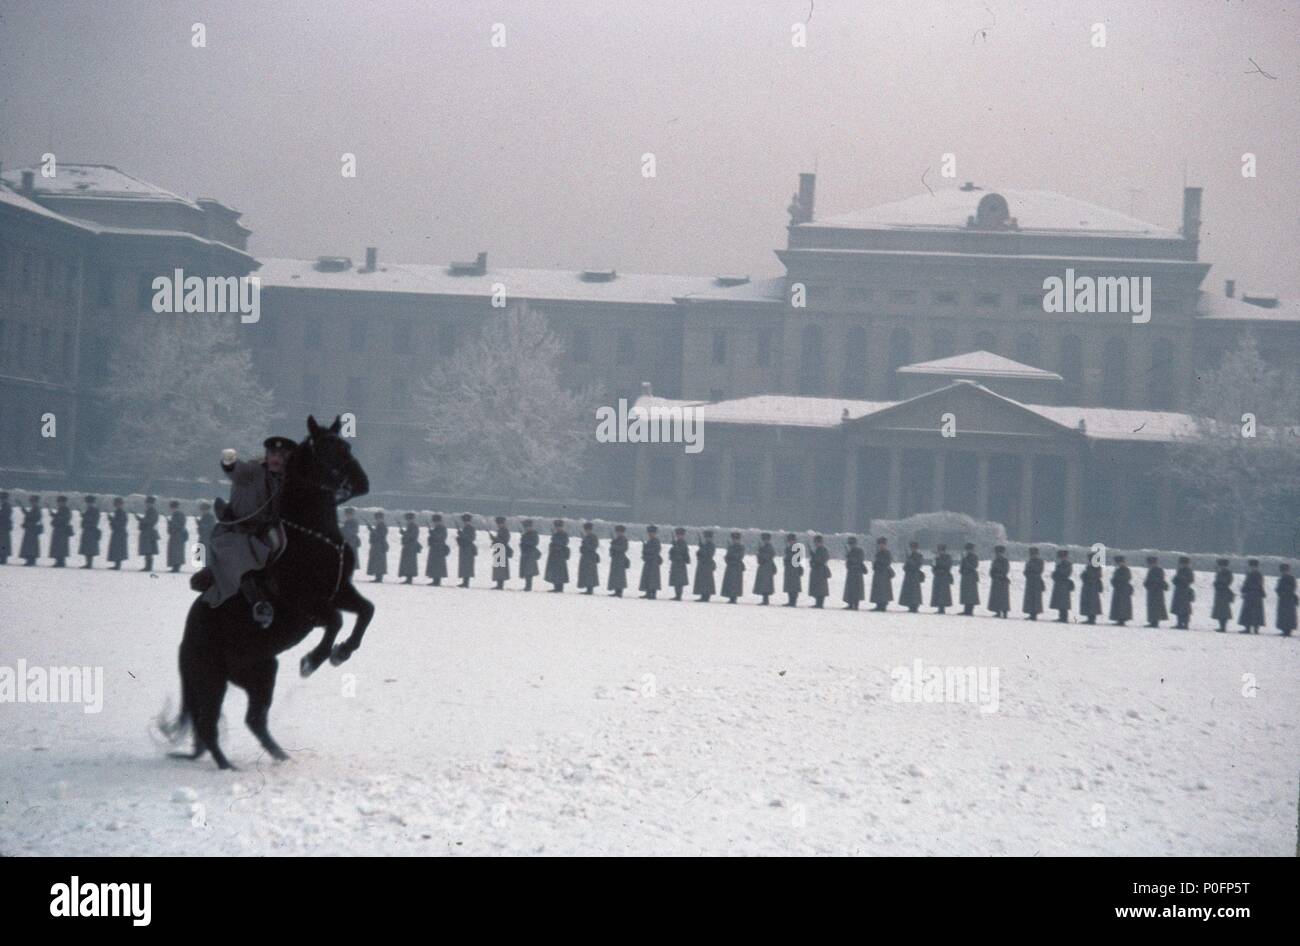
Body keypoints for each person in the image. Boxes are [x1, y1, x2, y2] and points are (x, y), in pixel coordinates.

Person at [196, 436, 295, 627]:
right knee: (242, 557)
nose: (276, 458)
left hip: (267, 533)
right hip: (236, 533)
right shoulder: (253, 471)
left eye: (281, 455)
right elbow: (237, 471)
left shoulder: (287, 480)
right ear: (266, 456)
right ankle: (258, 603)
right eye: (272, 454)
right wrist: (229, 463)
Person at [1238, 559, 1265, 634]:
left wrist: (1246, 590)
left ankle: (1255, 629)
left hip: (1255, 595)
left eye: (1253, 566)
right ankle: (1248, 628)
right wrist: (1243, 590)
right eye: (1251, 566)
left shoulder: (1257, 574)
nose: (1252, 568)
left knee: (1255, 612)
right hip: (1251, 595)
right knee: (1249, 612)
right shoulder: (1251, 574)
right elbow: (1246, 583)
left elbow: (1258, 585)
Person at [544, 519, 569, 593]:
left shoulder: (564, 534)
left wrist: (554, 538)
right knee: (554, 571)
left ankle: (559, 588)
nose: (557, 528)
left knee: (560, 572)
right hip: (554, 555)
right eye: (557, 526)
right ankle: (556, 587)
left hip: (560, 555)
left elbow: (563, 543)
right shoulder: (556, 534)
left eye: (559, 526)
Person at [1144, 556, 1169, 629]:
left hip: (1157, 592)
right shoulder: (1152, 570)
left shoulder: (1158, 570)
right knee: (1152, 607)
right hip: (1152, 591)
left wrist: (1151, 584)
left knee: (1155, 607)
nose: (1149, 565)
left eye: (1150, 563)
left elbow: (1158, 580)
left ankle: (1155, 622)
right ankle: (1152, 621)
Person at [899, 541, 925, 613]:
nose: (912, 549)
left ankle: (915, 606)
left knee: (915, 593)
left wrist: (910, 561)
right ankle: (910, 605)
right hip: (909, 575)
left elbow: (918, 566)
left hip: (915, 576)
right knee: (909, 592)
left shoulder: (919, 556)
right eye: (912, 548)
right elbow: (906, 567)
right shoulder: (910, 555)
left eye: (914, 548)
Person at [137, 496, 160, 572]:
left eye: (148, 503)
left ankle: (148, 566)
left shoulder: (152, 511)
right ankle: (147, 566)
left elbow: (151, 521)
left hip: (149, 533)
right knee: (148, 550)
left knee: (148, 550)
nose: (146, 504)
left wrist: (141, 520)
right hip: (149, 532)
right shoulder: (150, 511)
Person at [721, 531, 746, 604]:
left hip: (736, 567)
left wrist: (731, 556)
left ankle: (734, 598)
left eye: (736, 539)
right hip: (730, 566)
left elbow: (739, 556)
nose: (735, 541)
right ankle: (731, 597)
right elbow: (727, 557)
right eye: (734, 539)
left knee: (735, 583)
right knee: (730, 583)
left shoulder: (741, 547)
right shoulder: (731, 547)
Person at [1170, 556, 1195, 629]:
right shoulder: (1180, 570)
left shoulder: (1188, 571)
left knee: (1185, 609)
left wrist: (1181, 579)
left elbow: (1190, 580)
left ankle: (1185, 624)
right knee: (1178, 608)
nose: (1181, 565)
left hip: (1185, 591)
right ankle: (1179, 623)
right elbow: (1174, 580)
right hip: (1179, 590)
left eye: (1182, 563)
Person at [1210, 559, 1234, 633]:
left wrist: (1218, 583)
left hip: (1224, 593)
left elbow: (1227, 582)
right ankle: (1221, 626)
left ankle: (1223, 627)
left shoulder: (1227, 572)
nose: (1220, 567)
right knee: (1220, 611)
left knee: (1224, 611)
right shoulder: (1220, 572)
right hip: (1220, 593)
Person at [425, 513, 449, 586]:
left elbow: (440, 537)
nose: (435, 523)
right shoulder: (437, 528)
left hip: (439, 549)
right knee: (434, 565)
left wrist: (432, 533)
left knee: (438, 565)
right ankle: (434, 580)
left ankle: (437, 581)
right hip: (434, 548)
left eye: (436, 521)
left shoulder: (442, 528)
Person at [869, 537, 893, 612]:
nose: (881, 546)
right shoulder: (878, 553)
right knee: (878, 590)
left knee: (883, 590)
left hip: (884, 573)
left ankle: (883, 605)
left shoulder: (887, 553)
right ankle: (878, 604)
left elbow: (887, 562)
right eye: (880, 545)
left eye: (882, 544)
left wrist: (878, 563)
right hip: (878, 573)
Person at [1108, 555, 1133, 626]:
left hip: (1123, 590)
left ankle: (1122, 620)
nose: (1118, 564)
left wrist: (1116, 580)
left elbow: (1126, 578)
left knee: (1122, 605)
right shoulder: (1119, 569)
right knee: (1118, 605)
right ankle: (1119, 619)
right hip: (1118, 589)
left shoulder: (1126, 569)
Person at [1049, 549, 1073, 623]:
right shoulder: (1060, 563)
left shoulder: (1067, 564)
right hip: (1059, 583)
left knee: (1063, 602)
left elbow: (1065, 573)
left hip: (1064, 584)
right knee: (1059, 601)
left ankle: (1064, 617)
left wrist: (1057, 574)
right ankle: (1061, 616)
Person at [49, 495, 73, 567]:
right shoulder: (62, 509)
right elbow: (59, 517)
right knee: (58, 546)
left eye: (60, 502)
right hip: (59, 530)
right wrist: (53, 515)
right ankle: (58, 561)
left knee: (61, 546)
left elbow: (63, 519)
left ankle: (60, 561)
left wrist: (55, 520)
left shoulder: (65, 509)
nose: (59, 503)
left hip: (62, 530)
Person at [164, 500, 188, 573]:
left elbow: (180, 525)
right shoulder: (176, 514)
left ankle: (176, 568)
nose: (172, 509)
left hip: (178, 536)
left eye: (172, 508)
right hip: (175, 536)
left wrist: (171, 523)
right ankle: (175, 567)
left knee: (177, 552)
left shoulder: (179, 514)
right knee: (174, 551)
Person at [398, 512, 422, 584]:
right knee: (407, 563)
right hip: (408, 546)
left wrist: (404, 533)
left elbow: (411, 536)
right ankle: (408, 578)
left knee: (410, 563)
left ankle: (409, 578)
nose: (408, 521)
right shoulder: (410, 526)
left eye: (408, 519)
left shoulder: (414, 526)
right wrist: (404, 533)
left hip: (411, 547)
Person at [639, 525, 662, 599]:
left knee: (653, 578)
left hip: (653, 562)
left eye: (652, 532)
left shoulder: (656, 541)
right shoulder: (650, 541)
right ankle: (648, 592)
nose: (650, 534)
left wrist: (647, 550)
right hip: (648, 561)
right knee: (647, 577)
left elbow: (655, 551)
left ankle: (653, 593)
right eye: (649, 532)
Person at [667, 527, 690, 601]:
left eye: (680, 535)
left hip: (680, 563)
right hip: (675, 563)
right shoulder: (677, 543)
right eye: (677, 535)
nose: (678, 536)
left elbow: (682, 552)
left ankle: (679, 595)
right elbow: (672, 553)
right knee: (676, 580)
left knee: (679, 581)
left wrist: (675, 547)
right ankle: (677, 595)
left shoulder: (683, 543)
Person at [842, 536, 865, 610]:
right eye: (850, 544)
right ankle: (850, 604)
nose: (851, 545)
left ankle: (856, 605)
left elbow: (858, 561)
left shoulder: (860, 551)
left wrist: (850, 557)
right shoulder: (851, 551)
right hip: (851, 572)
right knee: (850, 589)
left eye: (852, 544)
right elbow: (849, 563)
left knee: (857, 590)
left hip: (857, 572)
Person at [753, 532, 776, 605]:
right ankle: (764, 600)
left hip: (767, 567)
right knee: (763, 584)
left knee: (765, 584)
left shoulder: (769, 547)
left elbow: (768, 556)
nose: (764, 541)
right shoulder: (764, 547)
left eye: (766, 539)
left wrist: (761, 554)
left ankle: (766, 600)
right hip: (764, 567)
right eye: (764, 539)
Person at [1022, 547, 1045, 620]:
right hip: (1030, 581)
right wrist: (1027, 573)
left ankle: (1034, 614)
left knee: (1035, 599)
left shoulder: (1040, 561)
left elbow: (1039, 570)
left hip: (1036, 581)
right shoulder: (1029, 561)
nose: (1032, 555)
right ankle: (1031, 613)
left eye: (1033, 553)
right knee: (1030, 599)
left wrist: (1030, 573)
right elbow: (1026, 570)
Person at [78, 495, 101, 569]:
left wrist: (85, 517)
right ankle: (88, 563)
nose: (88, 504)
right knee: (87, 548)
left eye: (89, 502)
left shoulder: (94, 510)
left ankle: (89, 564)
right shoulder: (90, 509)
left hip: (91, 530)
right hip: (88, 530)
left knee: (90, 549)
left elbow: (93, 520)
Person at [693, 530, 716, 602]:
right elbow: (699, 554)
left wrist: (702, 549)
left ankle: (706, 596)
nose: (707, 539)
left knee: (707, 581)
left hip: (707, 565)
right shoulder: (705, 545)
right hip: (702, 564)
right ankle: (703, 595)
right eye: (706, 537)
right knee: (702, 581)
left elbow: (709, 554)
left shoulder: (712, 545)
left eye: (708, 537)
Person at [19, 495, 43, 566]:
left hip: (32, 529)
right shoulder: (35, 508)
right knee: (30, 545)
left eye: (32, 501)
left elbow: (32, 517)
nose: (31, 503)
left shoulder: (36, 509)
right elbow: (29, 515)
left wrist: (27, 522)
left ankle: (31, 560)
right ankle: (30, 559)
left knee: (31, 546)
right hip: (31, 529)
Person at [988, 546, 1011, 618]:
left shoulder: (1005, 560)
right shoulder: (995, 560)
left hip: (1002, 580)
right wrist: (992, 574)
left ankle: (1004, 612)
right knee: (996, 597)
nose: (997, 554)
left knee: (1003, 598)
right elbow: (992, 569)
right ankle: (997, 611)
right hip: (996, 580)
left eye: (999, 553)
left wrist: (999, 575)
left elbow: (1005, 570)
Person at [492, 516, 514, 590]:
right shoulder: (501, 530)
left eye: (500, 523)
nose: (498, 525)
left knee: (501, 568)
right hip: (499, 549)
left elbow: (504, 541)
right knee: (498, 568)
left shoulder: (505, 531)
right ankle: (499, 584)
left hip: (502, 550)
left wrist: (495, 539)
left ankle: (500, 585)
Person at [607, 524, 629, 597]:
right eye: (617, 531)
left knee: (620, 576)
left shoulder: (624, 539)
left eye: (619, 531)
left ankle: (619, 592)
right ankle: (616, 591)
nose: (617, 533)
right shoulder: (617, 539)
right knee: (615, 576)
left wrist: (614, 546)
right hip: (616, 559)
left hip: (620, 559)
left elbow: (623, 548)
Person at [366, 511, 389, 583]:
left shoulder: (383, 526)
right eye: (377, 519)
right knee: (376, 561)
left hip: (380, 545)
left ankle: (379, 577)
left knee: (379, 562)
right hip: (376, 545)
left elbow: (380, 536)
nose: (377, 520)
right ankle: (377, 577)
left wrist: (372, 530)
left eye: (379, 518)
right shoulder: (379, 526)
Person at [930, 543, 953, 613]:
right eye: (939, 550)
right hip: (937, 576)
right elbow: (933, 567)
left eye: (941, 550)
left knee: (943, 593)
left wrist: (938, 559)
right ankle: (939, 608)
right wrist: (934, 570)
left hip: (944, 576)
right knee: (937, 593)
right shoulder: (936, 558)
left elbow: (947, 566)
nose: (940, 552)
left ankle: (942, 609)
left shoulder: (948, 557)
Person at [577, 522, 599, 594]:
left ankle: (590, 589)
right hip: (585, 557)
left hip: (590, 557)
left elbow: (593, 547)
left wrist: (585, 541)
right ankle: (587, 588)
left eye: (587, 529)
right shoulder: (587, 536)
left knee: (590, 573)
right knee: (585, 573)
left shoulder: (593, 537)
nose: (586, 531)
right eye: (586, 529)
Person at [107, 497, 129, 570]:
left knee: (118, 549)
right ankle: (116, 564)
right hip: (118, 532)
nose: (116, 505)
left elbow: (120, 523)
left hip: (120, 533)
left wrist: (112, 520)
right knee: (117, 549)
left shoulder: (121, 512)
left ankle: (117, 565)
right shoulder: (119, 512)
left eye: (118, 503)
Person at [809, 535, 830, 608]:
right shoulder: (818, 549)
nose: (815, 544)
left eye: (816, 542)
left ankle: (820, 603)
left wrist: (814, 558)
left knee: (821, 588)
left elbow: (823, 559)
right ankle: (818, 603)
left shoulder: (823, 549)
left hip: (820, 570)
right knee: (817, 588)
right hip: (816, 570)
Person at [1079, 558, 1103, 625]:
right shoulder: (1091, 567)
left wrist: (1086, 575)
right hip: (1089, 587)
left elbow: (1092, 576)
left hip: (1092, 587)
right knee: (1089, 603)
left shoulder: (1095, 568)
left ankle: (1092, 619)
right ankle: (1089, 618)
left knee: (1092, 603)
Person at [519, 519, 541, 592]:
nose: (526, 528)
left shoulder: (534, 533)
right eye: (525, 527)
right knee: (526, 571)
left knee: (529, 571)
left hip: (530, 554)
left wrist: (525, 540)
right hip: (526, 554)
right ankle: (527, 586)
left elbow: (534, 543)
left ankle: (528, 586)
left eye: (527, 527)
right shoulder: (526, 534)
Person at [959, 543, 980, 616]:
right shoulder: (965, 557)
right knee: (965, 593)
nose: (967, 551)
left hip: (971, 577)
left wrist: (964, 559)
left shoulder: (974, 557)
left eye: (969, 549)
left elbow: (973, 566)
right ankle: (966, 610)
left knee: (971, 594)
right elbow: (962, 566)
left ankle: (970, 610)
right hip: (965, 576)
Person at [1275, 563, 1296, 637]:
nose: (1283, 572)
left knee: (1288, 615)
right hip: (1283, 599)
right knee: (1283, 615)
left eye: (1284, 570)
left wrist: (1283, 592)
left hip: (1288, 599)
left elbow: (1292, 588)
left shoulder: (1291, 578)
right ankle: (1284, 629)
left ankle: (1288, 630)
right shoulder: (1282, 578)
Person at [456, 513, 476, 588]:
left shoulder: (471, 528)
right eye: (465, 521)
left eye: (466, 521)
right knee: (464, 566)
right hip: (464, 548)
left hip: (468, 549)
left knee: (467, 566)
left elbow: (471, 538)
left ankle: (466, 582)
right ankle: (464, 582)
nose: (465, 522)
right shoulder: (465, 528)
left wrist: (461, 534)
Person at [781, 533, 802, 607]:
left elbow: (796, 559)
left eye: (791, 540)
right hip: (789, 569)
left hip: (794, 569)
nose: (790, 542)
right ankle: (790, 601)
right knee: (789, 586)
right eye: (789, 541)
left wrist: (789, 554)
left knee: (794, 587)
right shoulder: (789, 548)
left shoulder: (797, 548)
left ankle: (793, 602)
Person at [196, 501, 216, 567]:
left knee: (207, 553)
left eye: (204, 509)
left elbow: (211, 527)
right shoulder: (204, 516)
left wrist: (201, 524)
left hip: (208, 537)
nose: (202, 511)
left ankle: (207, 567)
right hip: (203, 536)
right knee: (201, 552)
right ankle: (204, 566)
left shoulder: (211, 517)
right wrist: (199, 523)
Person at [0, 491, 11, 565]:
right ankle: (2, 557)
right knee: (3, 543)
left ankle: (3, 558)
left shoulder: (6, 506)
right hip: (3, 526)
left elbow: (4, 516)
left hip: (4, 527)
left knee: (3, 543)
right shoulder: (5, 505)